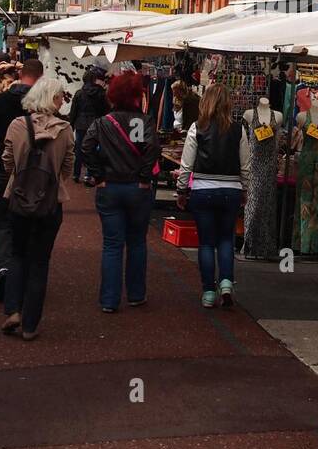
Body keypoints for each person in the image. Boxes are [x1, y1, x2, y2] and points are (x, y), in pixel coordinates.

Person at [0, 76, 76, 340]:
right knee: (40, 261)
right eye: (60, 96)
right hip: (50, 202)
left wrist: (22, 179)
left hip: (18, 197)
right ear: (52, 98)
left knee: (17, 254)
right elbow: (68, 167)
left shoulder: (17, 125)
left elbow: (7, 161)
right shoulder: (65, 130)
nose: (61, 101)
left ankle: (13, 310)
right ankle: (31, 325)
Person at [82, 71, 161, 313]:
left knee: (112, 245)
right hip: (138, 187)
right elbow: (151, 148)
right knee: (137, 242)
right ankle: (136, 294)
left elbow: (85, 146)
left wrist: (98, 175)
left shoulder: (103, 122)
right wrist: (145, 177)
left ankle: (109, 299)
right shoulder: (143, 121)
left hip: (110, 186)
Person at [175, 84, 251, 309]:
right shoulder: (238, 129)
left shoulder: (196, 128)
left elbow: (186, 164)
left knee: (206, 243)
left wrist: (181, 190)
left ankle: (209, 291)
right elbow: (245, 165)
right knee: (226, 239)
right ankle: (226, 282)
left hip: (202, 189)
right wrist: (244, 189)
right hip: (231, 190)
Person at [0, 58, 42, 303]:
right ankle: (23, 271)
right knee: (29, 217)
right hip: (33, 169)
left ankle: (1, 267)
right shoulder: (41, 105)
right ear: (40, 76)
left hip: (2, 167)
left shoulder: (0, 102)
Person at [69, 66, 109, 183]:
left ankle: (76, 173)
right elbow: (104, 110)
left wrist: (71, 125)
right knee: (93, 149)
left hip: (80, 124)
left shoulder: (79, 93)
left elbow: (74, 111)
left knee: (79, 148)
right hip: (95, 124)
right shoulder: (101, 93)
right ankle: (89, 174)